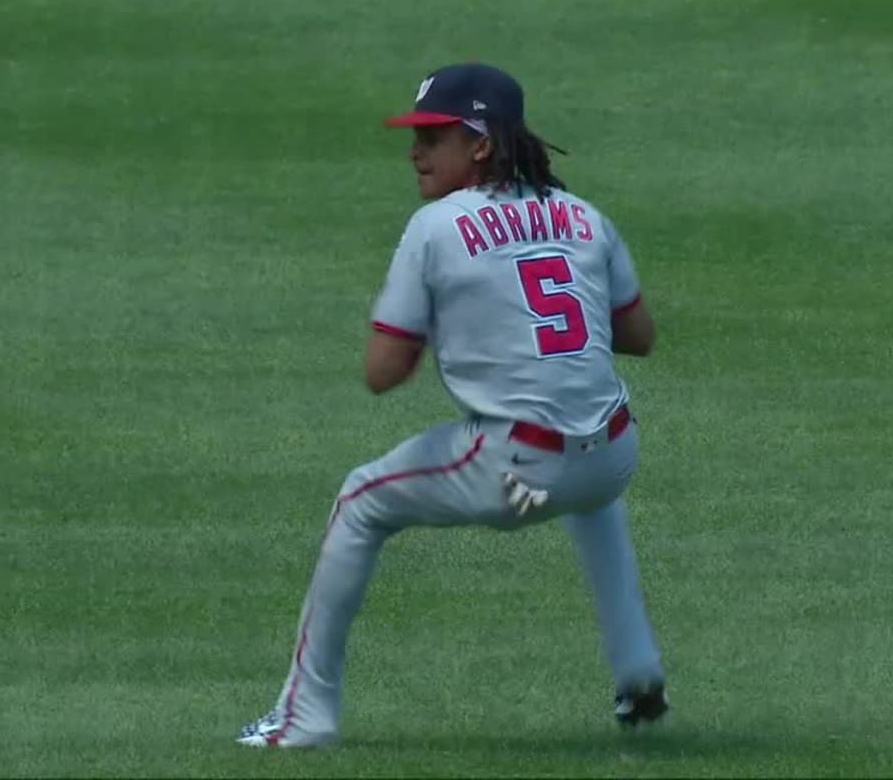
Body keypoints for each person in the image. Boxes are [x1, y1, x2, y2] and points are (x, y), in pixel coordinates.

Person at [236, 62, 668, 748]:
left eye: (433, 137)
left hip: (514, 472)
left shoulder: (436, 227)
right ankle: (638, 667)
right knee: (591, 489)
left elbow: (383, 373)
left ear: (481, 144)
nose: (415, 152)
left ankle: (303, 718)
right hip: (614, 454)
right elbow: (638, 337)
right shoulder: (585, 217)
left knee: (359, 500)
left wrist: (455, 318)